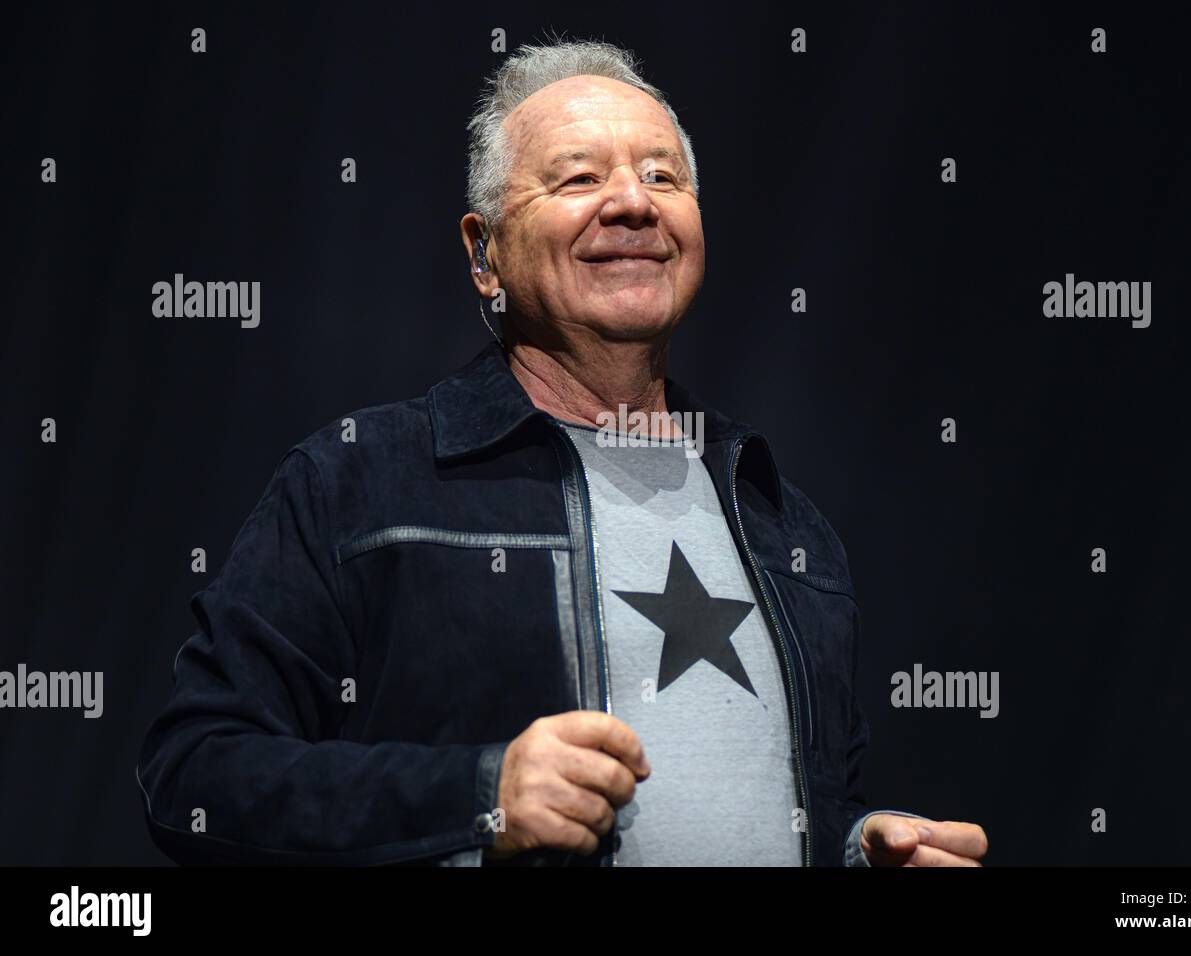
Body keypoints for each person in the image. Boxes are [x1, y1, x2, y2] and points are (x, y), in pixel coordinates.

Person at [137, 38, 988, 867]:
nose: (633, 202)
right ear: (484, 252)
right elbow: (193, 773)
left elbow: (786, 803)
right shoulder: (360, 482)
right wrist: (479, 795)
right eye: (580, 177)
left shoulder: (781, 521)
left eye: (664, 176)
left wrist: (855, 847)